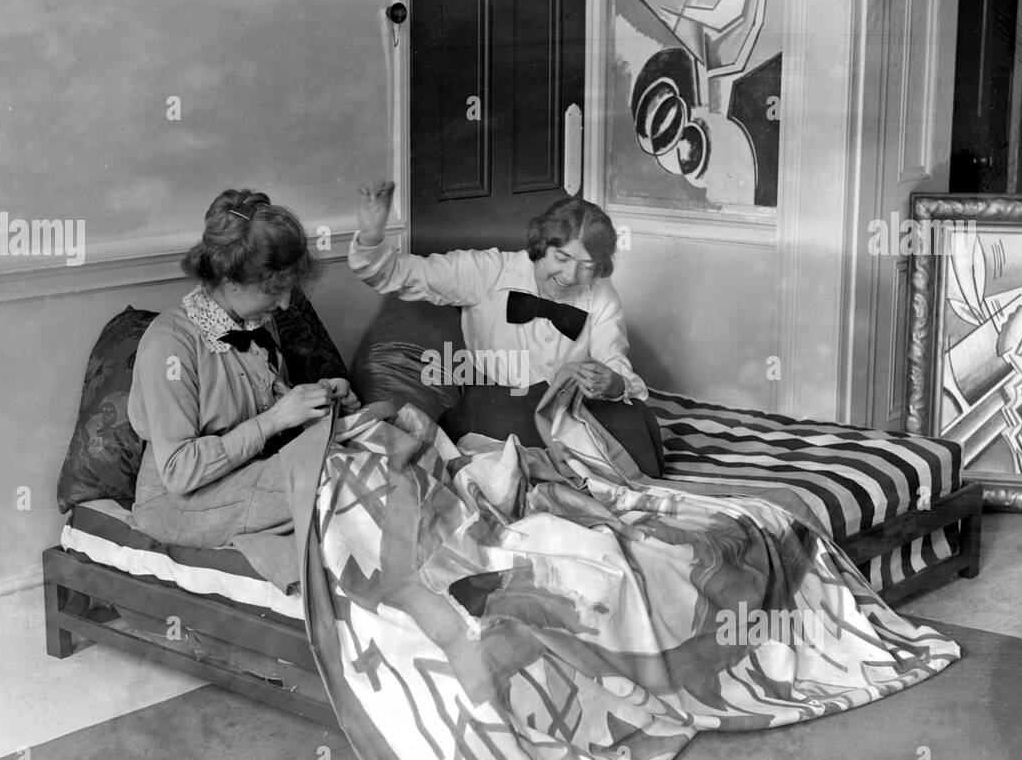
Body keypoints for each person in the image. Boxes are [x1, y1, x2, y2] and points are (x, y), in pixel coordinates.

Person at [349, 181, 663, 475]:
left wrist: (613, 384)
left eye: (587, 266)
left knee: (640, 425)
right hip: (495, 409)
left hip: (564, 414)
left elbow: (615, 361)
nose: (569, 276)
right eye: (562, 257)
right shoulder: (489, 271)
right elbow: (399, 275)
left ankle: (559, 464)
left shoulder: (601, 293)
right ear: (541, 244)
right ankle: (560, 466)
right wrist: (371, 237)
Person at [127, 189, 358, 547]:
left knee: (373, 448)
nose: (284, 303)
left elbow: (266, 404)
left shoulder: (256, 322)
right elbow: (179, 471)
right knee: (337, 481)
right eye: (274, 290)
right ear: (232, 281)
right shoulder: (169, 343)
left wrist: (320, 399)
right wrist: (274, 420)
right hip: (180, 501)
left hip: (244, 473)